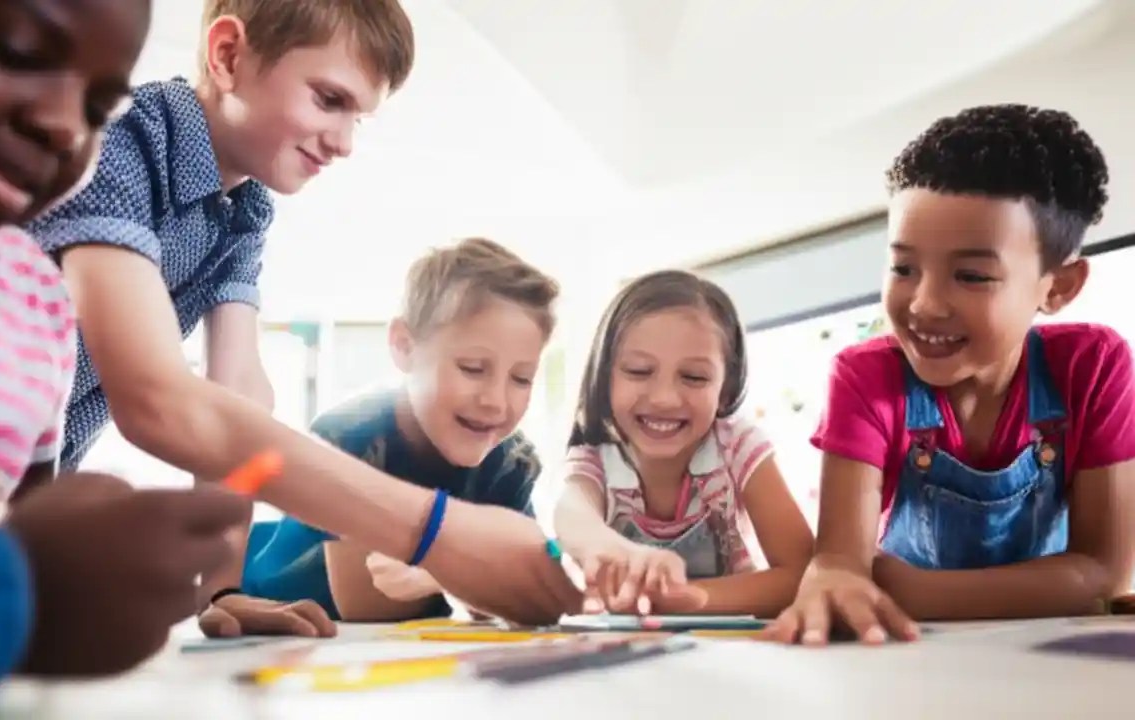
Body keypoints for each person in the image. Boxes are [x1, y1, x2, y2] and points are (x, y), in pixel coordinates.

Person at [26, 0, 579, 633]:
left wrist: (222, 589)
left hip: (19, 494)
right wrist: (435, 533)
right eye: (328, 100)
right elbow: (157, 400)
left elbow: (238, 395)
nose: (344, 142)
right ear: (228, 55)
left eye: (359, 118)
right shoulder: (119, 145)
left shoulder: (245, 210)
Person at [0, 0, 255, 704]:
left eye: (101, 110)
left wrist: (3, 539)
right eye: (16, 51)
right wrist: (17, 591)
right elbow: (14, 576)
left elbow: (10, 525)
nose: (62, 124)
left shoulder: (34, 296)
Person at [764, 104, 1135, 647]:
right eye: (903, 268)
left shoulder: (1092, 366)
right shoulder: (864, 376)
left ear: (1056, 288)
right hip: (911, 651)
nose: (925, 304)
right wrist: (851, 578)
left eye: (971, 275)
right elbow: (841, 568)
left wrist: (908, 588)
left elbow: (1106, 574)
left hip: (1051, 653)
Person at [244, 238, 557, 621]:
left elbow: (528, 591)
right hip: (263, 603)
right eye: (473, 368)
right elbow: (362, 605)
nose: (496, 400)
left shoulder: (511, 462)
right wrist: (462, 571)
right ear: (405, 346)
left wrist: (441, 577)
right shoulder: (351, 436)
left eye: (521, 379)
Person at [554, 270, 812, 617]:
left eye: (693, 377)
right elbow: (572, 517)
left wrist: (687, 597)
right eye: (639, 370)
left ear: (726, 388)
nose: (664, 398)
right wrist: (614, 553)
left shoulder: (737, 447)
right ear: (605, 376)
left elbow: (803, 575)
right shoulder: (595, 460)